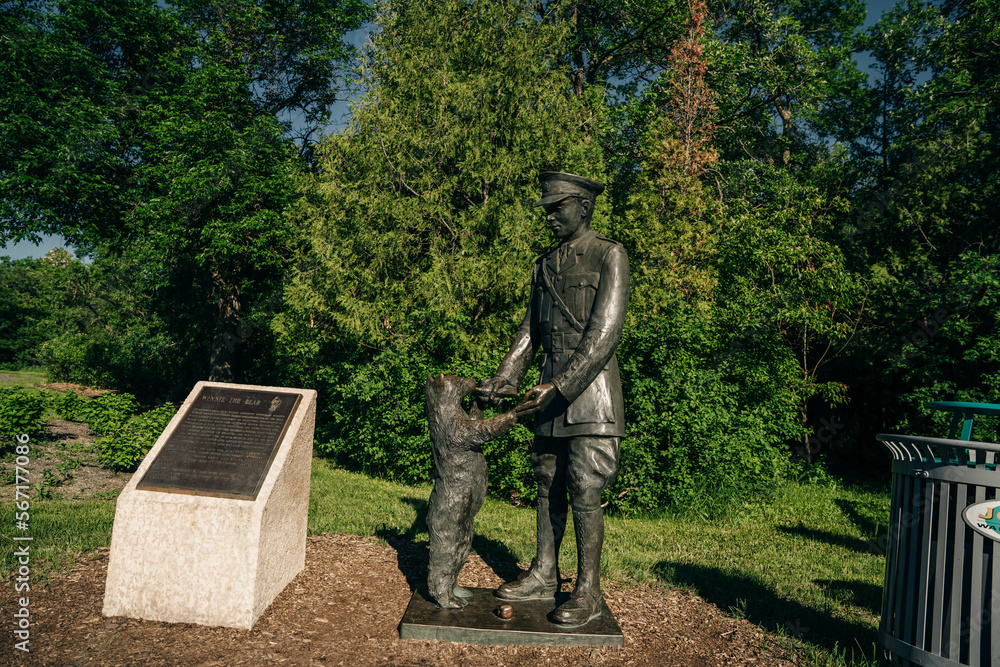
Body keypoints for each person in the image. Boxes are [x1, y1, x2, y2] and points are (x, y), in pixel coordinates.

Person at [480, 171, 629, 627]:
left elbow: (605, 333)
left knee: (585, 487)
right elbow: (530, 331)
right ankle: (544, 574)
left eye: (556, 207)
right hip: (548, 397)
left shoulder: (610, 256)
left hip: (591, 396)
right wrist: (505, 377)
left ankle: (588, 591)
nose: (549, 216)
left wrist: (561, 386)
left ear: (583, 206)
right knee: (547, 483)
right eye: (547, 208)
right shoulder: (543, 266)